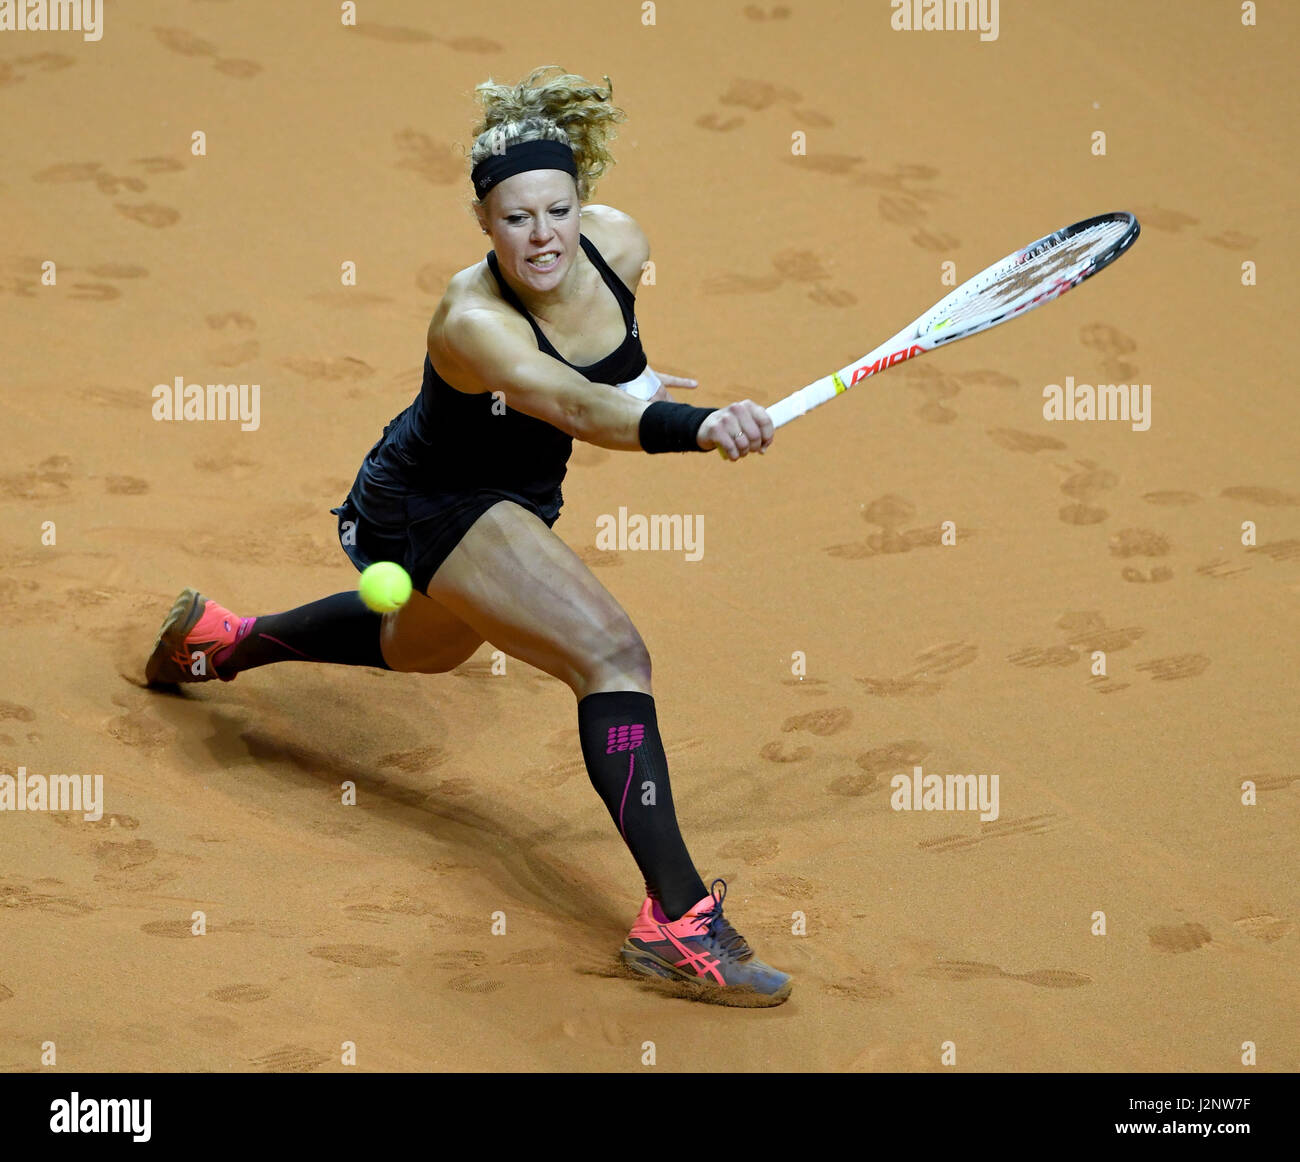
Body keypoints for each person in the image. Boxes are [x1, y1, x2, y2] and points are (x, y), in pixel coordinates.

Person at [145, 66, 790, 1006]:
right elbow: (576, 403)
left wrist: (663, 397)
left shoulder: (620, 245)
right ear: (484, 223)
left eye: (558, 210)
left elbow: (618, 369)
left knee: (420, 650)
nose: (543, 236)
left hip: (517, 498)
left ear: (584, 203)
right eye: (517, 218)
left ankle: (224, 643)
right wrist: (696, 426)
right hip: (433, 503)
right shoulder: (473, 321)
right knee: (612, 657)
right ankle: (680, 926)